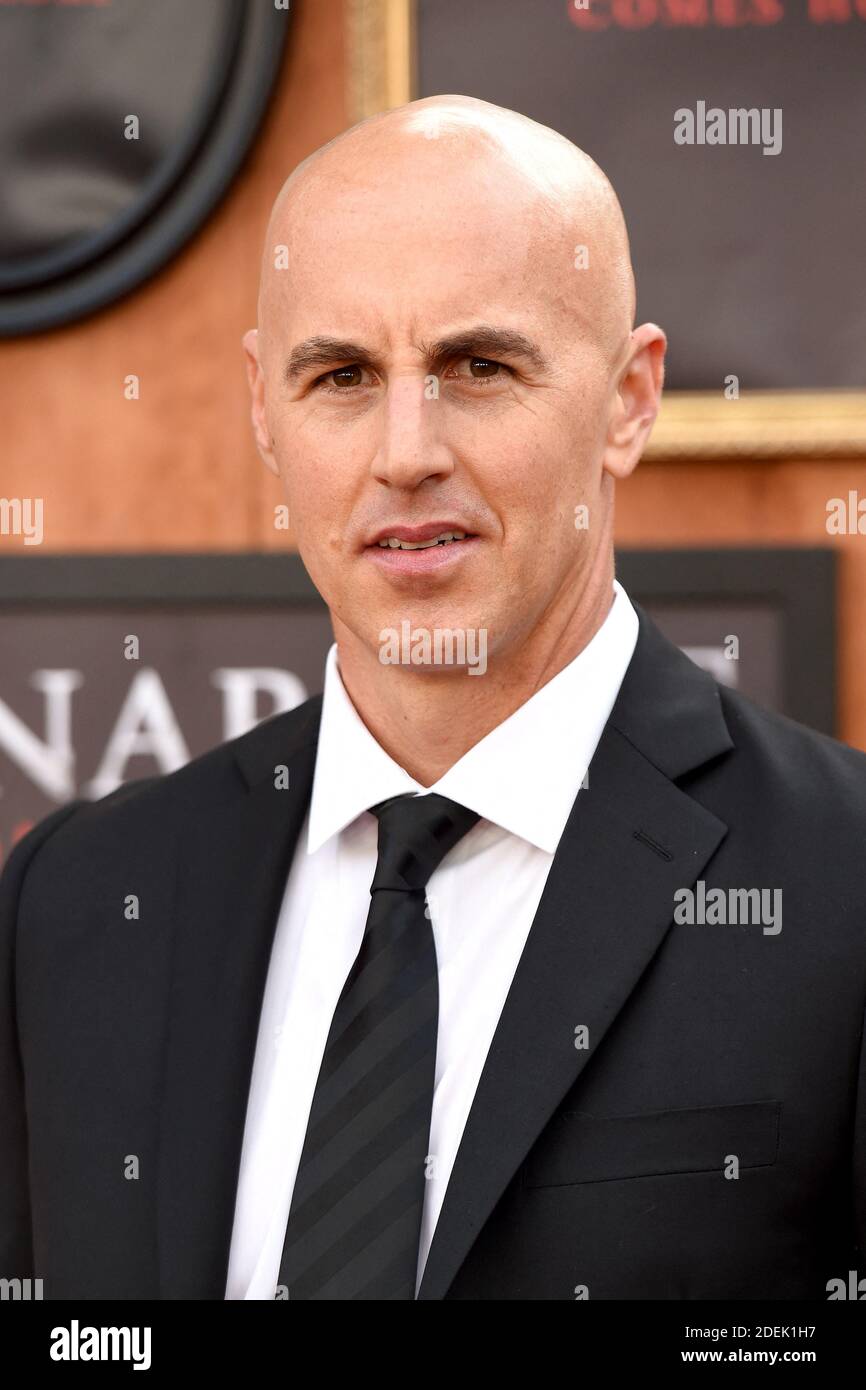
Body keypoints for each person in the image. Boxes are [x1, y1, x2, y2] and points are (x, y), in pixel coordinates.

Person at [1, 95, 864, 1301]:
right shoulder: (77, 903)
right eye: (343, 374)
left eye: (477, 365)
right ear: (263, 406)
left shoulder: (843, 881)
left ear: (627, 398)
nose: (405, 450)